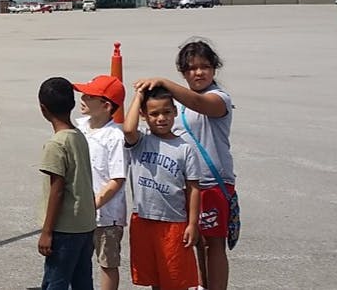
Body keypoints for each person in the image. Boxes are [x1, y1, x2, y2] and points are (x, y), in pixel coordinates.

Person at [135, 39, 234, 290]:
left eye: (204, 66)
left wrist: (165, 83)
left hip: (212, 182)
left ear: (214, 68)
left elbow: (201, 104)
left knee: (214, 243)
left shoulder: (219, 97)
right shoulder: (175, 103)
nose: (198, 72)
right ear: (183, 71)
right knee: (194, 241)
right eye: (191, 68)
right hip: (182, 184)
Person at [122, 85, 202, 290]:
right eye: (154, 114)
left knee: (175, 279)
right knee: (154, 278)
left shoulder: (185, 149)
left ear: (175, 112)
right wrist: (139, 96)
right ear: (143, 115)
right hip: (144, 219)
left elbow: (194, 188)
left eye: (166, 112)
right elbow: (128, 129)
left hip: (174, 222)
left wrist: (192, 224)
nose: (161, 118)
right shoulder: (141, 141)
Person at [36, 77, 96, 290]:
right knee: (82, 281)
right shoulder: (77, 135)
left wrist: (47, 231)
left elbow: (58, 189)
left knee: (56, 281)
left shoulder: (56, 144)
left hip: (64, 228)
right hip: (85, 225)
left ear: (43, 109)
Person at [72, 75, 127, 290]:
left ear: (106, 106)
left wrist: (94, 203)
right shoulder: (80, 127)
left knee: (107, 263)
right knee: (78, 261)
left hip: (107, 216)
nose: (82, 98)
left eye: (89, 96)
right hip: (80, 211)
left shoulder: (114, 136)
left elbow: (117, 178)